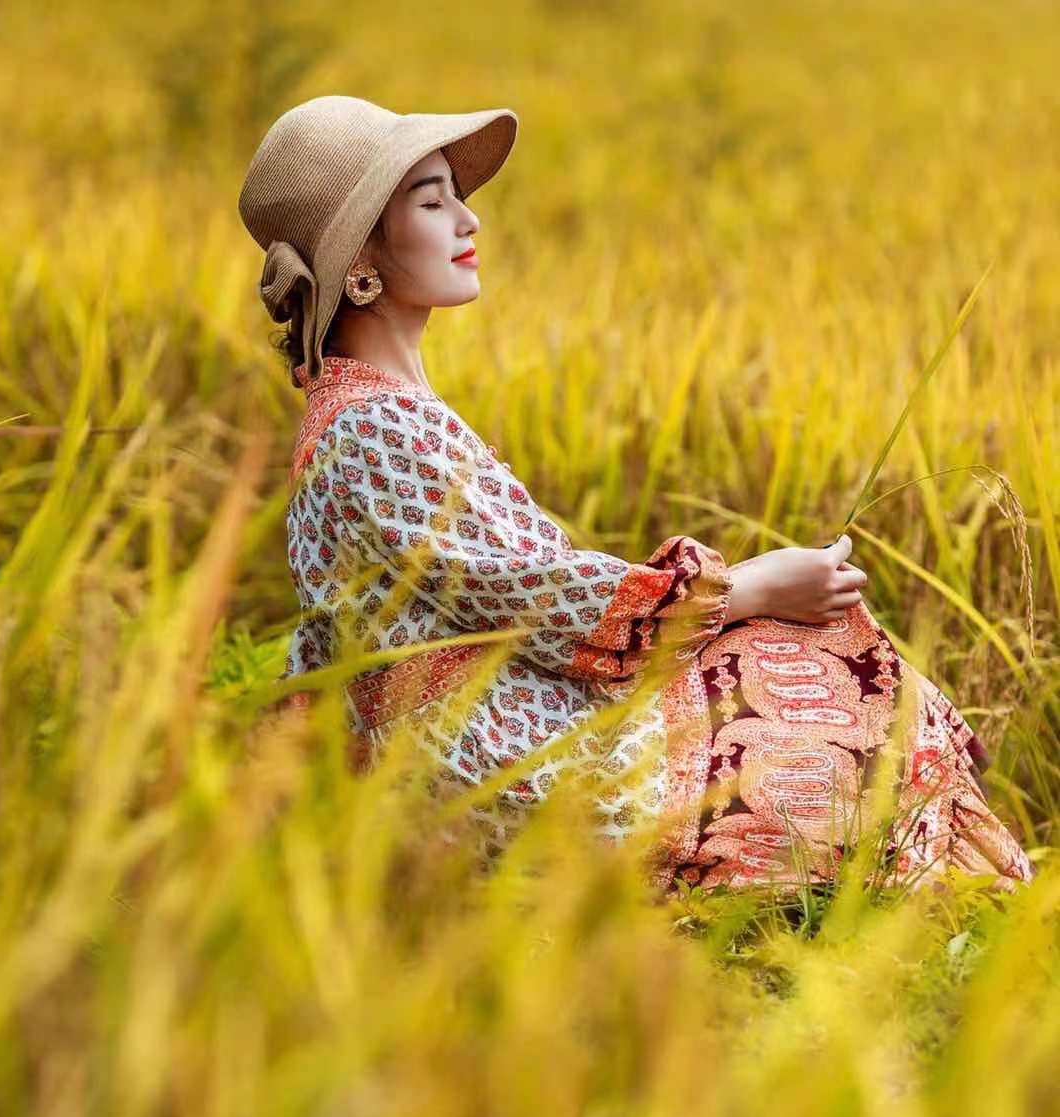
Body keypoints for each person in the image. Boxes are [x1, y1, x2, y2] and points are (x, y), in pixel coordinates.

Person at [238, 95, 1036, 895]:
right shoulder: (375, 427)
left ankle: (951, 891)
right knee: (824, 674)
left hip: (472, 743)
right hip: (498, 772)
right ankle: (966, 903)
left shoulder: (369, 408)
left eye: (458, 194)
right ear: (361, 259)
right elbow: (540, 598)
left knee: (801, 662)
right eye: (430, 200)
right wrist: (752, 587)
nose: (468, 220)